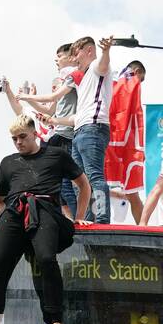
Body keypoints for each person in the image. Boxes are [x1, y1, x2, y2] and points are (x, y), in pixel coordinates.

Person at [0, 114, 91, 324]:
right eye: (14, 139)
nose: (18, 142)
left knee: (46, 258)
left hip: (45, 210)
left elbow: (84, 184)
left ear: (35, 133)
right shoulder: (8, 162)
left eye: (22, 137)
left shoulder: (56, 155)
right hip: (14, 213)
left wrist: (80, 216)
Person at [69, 36, 114, 224]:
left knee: (94, 176)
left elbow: (104, 64)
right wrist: (52, 119)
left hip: (93, 129)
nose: (73, 59)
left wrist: (105, 51)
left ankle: (102, 219)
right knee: (79, 181)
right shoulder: (85, 78)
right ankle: (85, 218)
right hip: (80, 131)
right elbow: (75, 117)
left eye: (75, 54)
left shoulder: (96, 67)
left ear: (89, 51)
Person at [105, 61, 146, 224]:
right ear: (136, 71)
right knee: (130, 191)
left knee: (99, 184)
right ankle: (144, 228)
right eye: (140, 79)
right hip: (117, 136)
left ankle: (144, 227)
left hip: (113, 135)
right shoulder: (123, 78)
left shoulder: (113, 77)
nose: (138, 85)